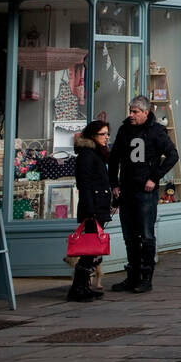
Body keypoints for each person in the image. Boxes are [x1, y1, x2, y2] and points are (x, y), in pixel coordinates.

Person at [108, 95, 179, 294]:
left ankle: (146, 278)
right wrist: (114, 183)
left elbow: (172, 155)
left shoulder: (156, 131)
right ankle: (132, 276)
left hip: (145, 191)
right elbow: (114, 159)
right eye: (130, 111)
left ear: (145, 113)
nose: (131, 115)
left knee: (146, 235)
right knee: (129, 236)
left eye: (135, 112)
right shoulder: (125, 130)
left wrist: (154, 178)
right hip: (127, 190)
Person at [68, 119, 112, 302]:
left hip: (99, 205)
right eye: (103, 134)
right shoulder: (87, 155)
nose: (106, 137)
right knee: (89, 250)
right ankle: (78, 288)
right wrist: (90, 210)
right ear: (93, 136)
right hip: (92, 207)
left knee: (93, 250)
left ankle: (83, 285)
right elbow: (84, 184)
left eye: (107, 134)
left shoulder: (97, 153)